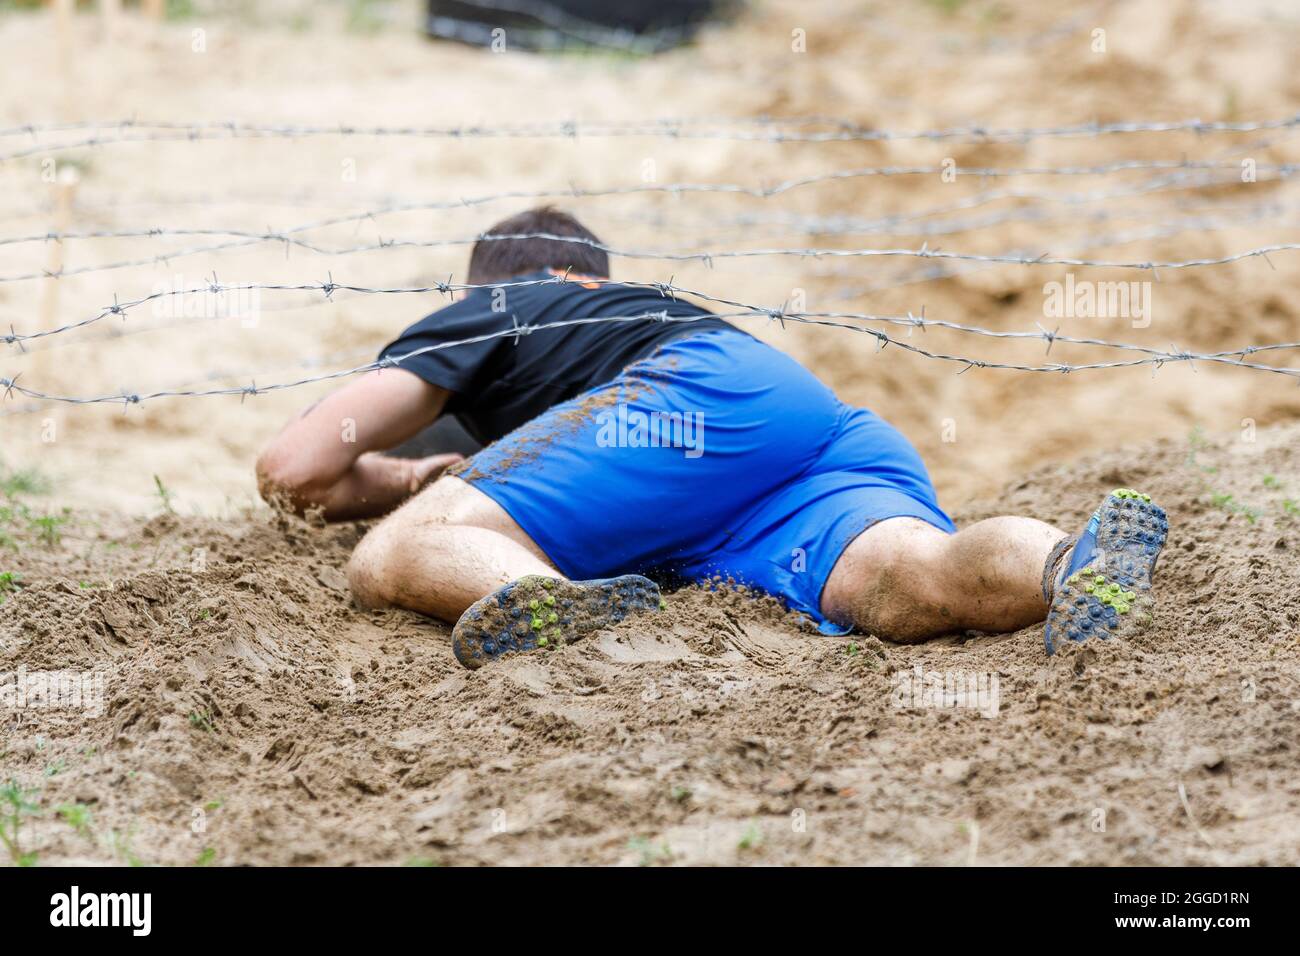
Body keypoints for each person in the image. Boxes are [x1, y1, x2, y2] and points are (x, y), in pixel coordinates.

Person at [256, 206, 1168, 668]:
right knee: (911, 578)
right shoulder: (606, 324)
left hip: (686, 401)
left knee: (392, 556)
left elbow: (295, 470)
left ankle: (568, 615)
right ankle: (1067, 566)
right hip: (798, 428)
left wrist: (407, 485)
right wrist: (437, 469)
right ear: (594, 279)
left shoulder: (497, 306)